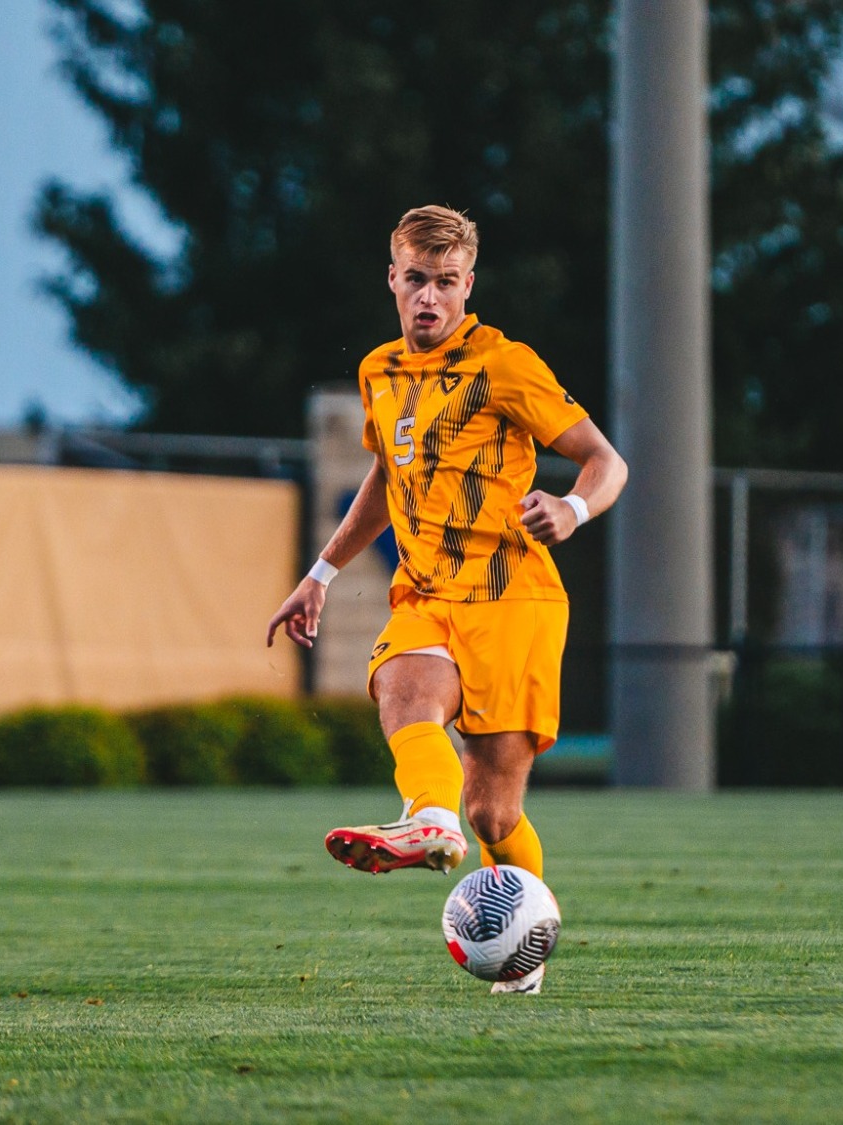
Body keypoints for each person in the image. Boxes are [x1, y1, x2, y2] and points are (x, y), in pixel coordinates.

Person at [266, 205, 627, 994]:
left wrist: (572, 507)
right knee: (401, 682)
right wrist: (321, 573)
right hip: (427, 591)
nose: (430, 297)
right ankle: (428, 817)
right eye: (417, 280)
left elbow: (605, 458)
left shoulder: (506, 366)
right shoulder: (379, 372)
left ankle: (522, 951)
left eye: (447, 282)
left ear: (469, 284)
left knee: (495, 815)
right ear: (393, 279)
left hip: (515, 601)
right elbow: (384, 476)